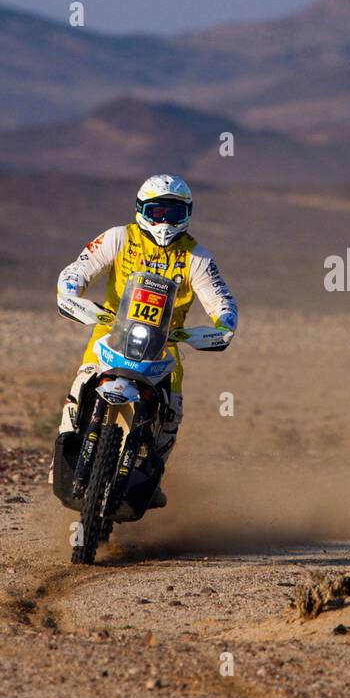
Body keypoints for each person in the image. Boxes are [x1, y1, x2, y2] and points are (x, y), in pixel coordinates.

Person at [51, 175, 237, 501]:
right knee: (82, 384)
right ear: (141, 209)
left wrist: (223, 324)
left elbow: (221, 301)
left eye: (174, 213)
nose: (165, 221)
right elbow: (78, 269)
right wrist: (71, 292)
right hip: (110, 331)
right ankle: (62, 454)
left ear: (187, 214)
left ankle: (153, 478)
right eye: (157, 211)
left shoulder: (197, 257)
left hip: (165, 344)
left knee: (173, 409)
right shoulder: (118, 238)